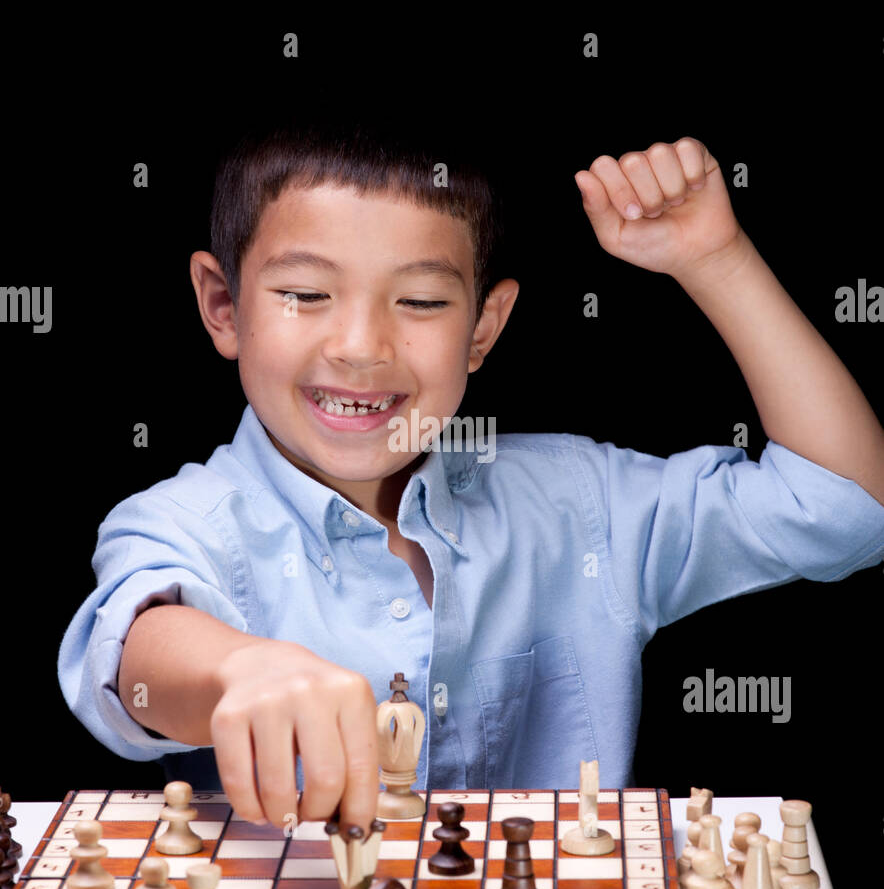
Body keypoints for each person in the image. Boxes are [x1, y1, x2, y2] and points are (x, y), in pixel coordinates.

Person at [58, 120, 884, 836]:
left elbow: (848, 510)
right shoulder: (183, 519)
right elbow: (131, 654)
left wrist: (719, 261)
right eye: (306, 293)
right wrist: (237, 670)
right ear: (223, 306)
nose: (361, 346)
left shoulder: (578, 503)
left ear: (484, 329)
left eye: (419, 302)